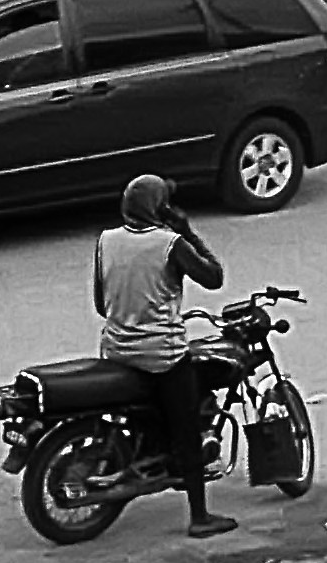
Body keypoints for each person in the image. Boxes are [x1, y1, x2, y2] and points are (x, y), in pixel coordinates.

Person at [95, 174, 236, 538]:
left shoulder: (106, 240)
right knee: (186, 427)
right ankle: (200, 516)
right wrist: (187, 230)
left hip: (115, 349)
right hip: (160, 354)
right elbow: (214, 277)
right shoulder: (170, 244)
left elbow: (101, 303)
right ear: (161, 208)